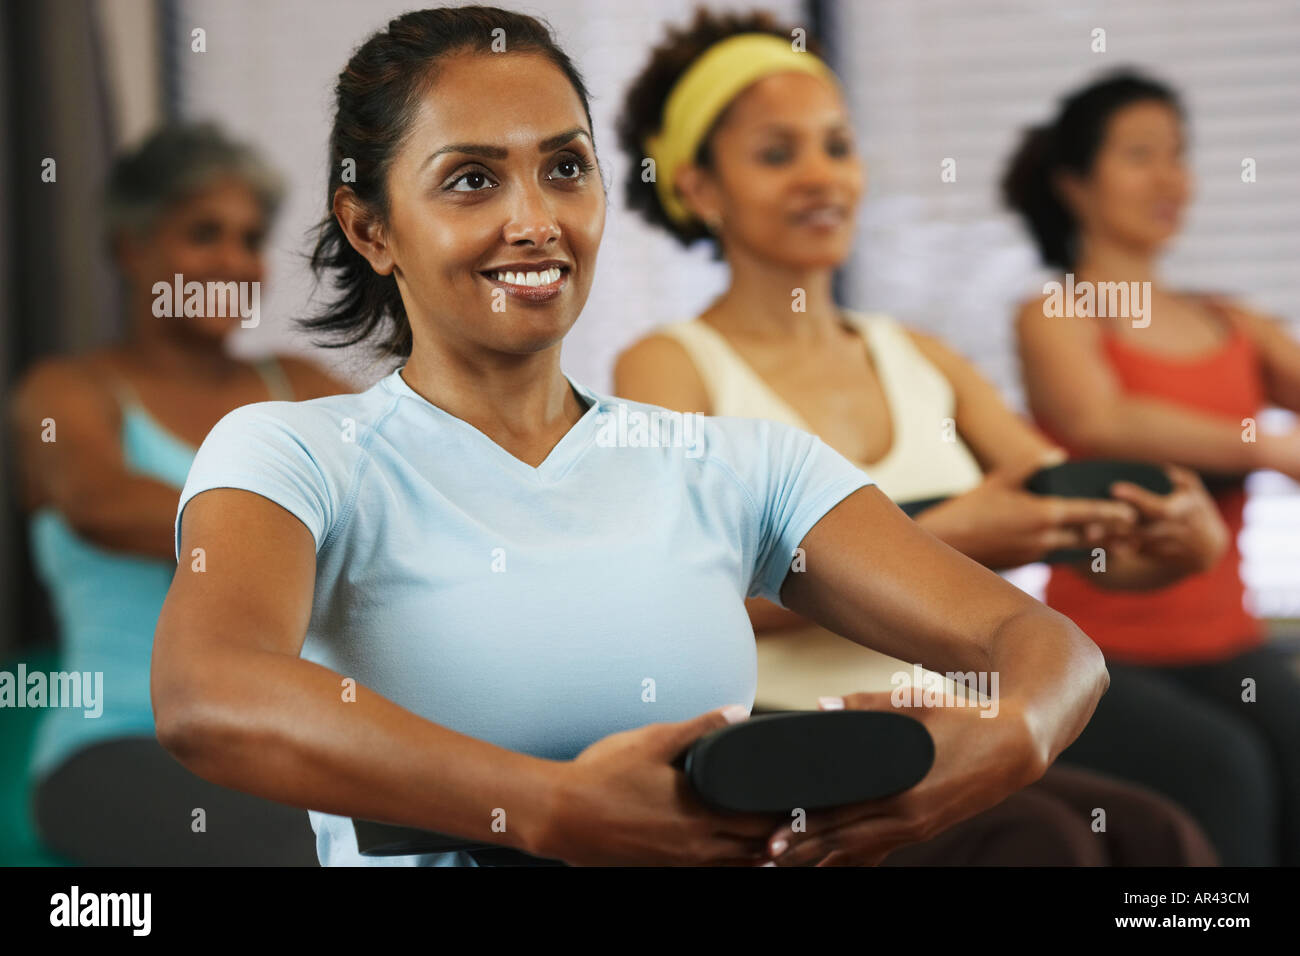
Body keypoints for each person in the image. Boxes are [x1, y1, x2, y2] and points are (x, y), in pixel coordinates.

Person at [613, 9, 1219, 865]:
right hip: (782, 744)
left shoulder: (920, 358)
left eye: (837, 145)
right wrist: (949, 537)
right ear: (700, 187)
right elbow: (676, 617)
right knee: (1043, 844)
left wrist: (1177, 542)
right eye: (777, 153)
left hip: (936, 727)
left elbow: (1088, 539)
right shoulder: (670, 368)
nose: (821, 175)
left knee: (1162, 840)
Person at [7, 122, 350, 865]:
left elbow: (409, 490)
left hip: (289, 738)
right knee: (304, 850)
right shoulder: (68, 393)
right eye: (204, 234)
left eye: (250, 239)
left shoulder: (298, 385)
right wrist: (298, 522)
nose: (233, 260)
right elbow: (102, 505)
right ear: (132, 249)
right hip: (120, 741)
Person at [1006, 70, 1300, 865]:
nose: (1171, 178)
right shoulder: (1054, 315)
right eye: (1141, 155)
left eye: (1178, 154)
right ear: (1074, 182)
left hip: (1232, 642)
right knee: (1225, 771)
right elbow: (1104, 419)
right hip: (1103, 651)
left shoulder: (1235, 322)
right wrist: (1266, 443)